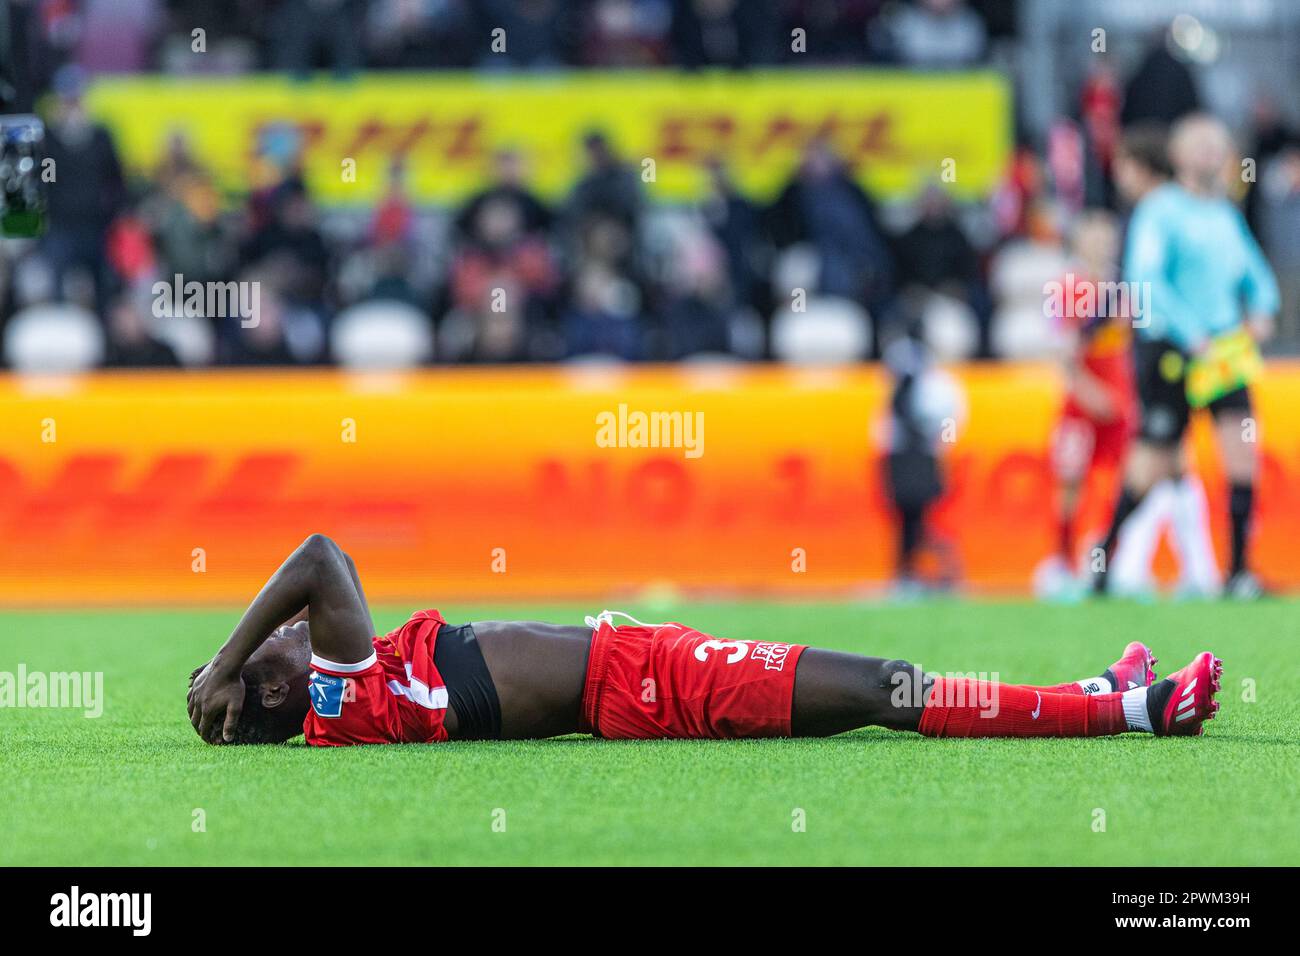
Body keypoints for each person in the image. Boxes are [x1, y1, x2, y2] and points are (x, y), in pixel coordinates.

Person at [187, 534, 1222, 747]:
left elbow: (324, 576)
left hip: (642, 671)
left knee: (881, 687)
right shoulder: (338, 693)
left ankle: (1094, 686)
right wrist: (229, 662)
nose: (282, 633)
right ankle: (1131, 707)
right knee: (889, 687)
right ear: (276, 694)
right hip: (651, 687)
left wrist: (230, 668)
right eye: (264, 654)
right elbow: (319, 557)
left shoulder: (336, 691)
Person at [1092, 115, 1280, 599]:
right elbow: (1146, 280)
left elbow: (1256, 276)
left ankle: (1238, 573)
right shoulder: (1160, 210)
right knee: (1151, 463)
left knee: (1242, 455)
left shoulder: (1224, 214)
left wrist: (1262, 310)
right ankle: (1103, 563)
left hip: (1222, 354)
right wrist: (1189, 332)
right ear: (1177, 155)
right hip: (1172, 351)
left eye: (1216, 145)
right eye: (1198, 145)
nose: (1209, 153)